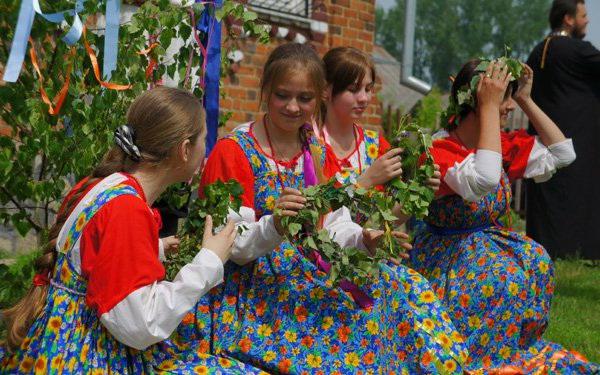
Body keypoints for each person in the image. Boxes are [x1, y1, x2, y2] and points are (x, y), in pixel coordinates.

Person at [151, 43, 469, 374]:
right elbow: (230, 244)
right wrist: (274, 225)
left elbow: (332, 225)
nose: (292, 106)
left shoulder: (315, 150)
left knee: (400, 288)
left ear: (319, 98)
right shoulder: (235, 151)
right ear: (265, 92)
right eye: (282, 95)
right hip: (253, 287)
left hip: (308, 270)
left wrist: (364, 239)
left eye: (304, 98)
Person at [0, 87, 240, 373]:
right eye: (204, 139)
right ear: (185, 150)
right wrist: (208, 262)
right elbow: (140, 324)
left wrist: (154, 249)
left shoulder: (106, 185)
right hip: (87, 356)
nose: (206, 149)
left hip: (57, 343)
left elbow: (93, 260)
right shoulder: (127, 209)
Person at [408, 59, 598, 373]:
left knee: (536, 260)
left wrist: (527, 99)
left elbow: (564, 153)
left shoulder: (498, 145)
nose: (508, 106)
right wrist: (489, 108)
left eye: (510, 98)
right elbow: (483, 179)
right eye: (504, 98)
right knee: (503, 278)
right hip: (447, 257)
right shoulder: (441, 149)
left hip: (484, 245)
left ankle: (512, 350)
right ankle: (479, 357)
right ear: (479, 101)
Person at [526, 0, 600, 260]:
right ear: (568, 19)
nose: (587, 20)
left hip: (544, 140)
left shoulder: (538, 51)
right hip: (579, 140)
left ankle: (550, 249)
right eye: (583, 15)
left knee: (549, 192)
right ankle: (579, 250)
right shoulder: (578, 51)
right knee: (579, 196)